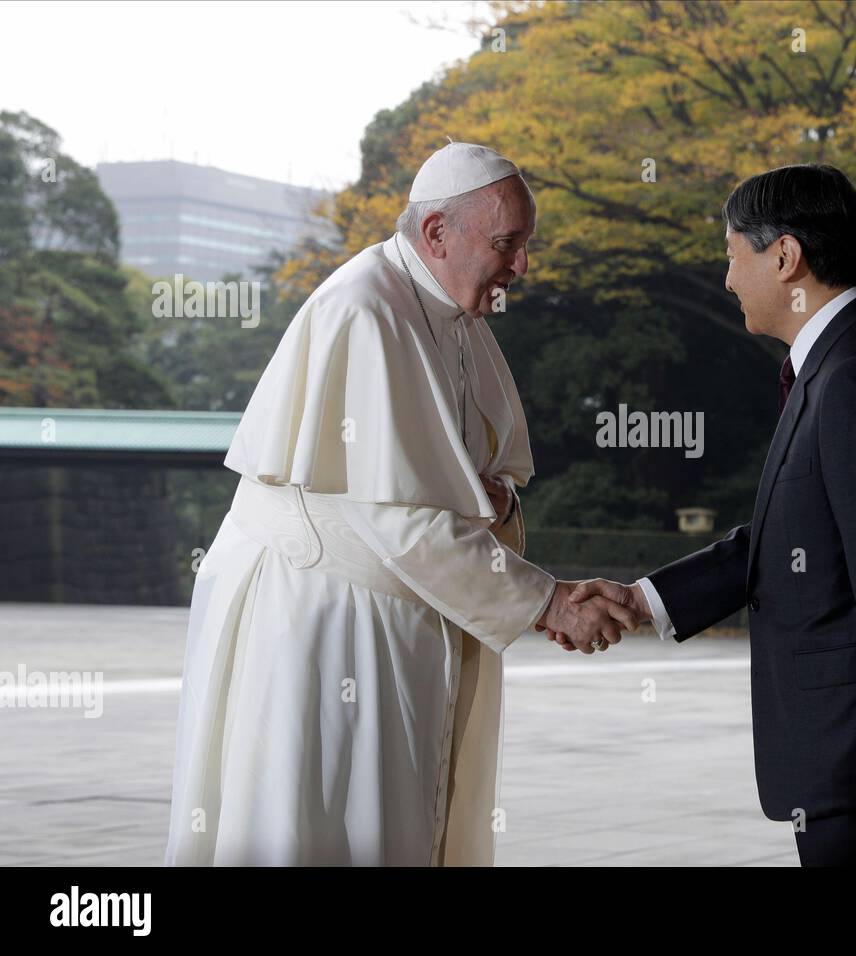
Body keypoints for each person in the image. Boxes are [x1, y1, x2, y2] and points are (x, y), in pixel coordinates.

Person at [164, 142, 633, 867]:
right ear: (437, 233)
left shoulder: (450, 313)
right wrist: (551, 602)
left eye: (525, 245)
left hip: (393, 615)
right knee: (320, 825)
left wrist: (489, 500)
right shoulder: (364, 308)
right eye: (507, 243)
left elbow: (474, 476)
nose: (521, 267)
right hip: (319, 618)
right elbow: (403, 516)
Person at [559, 164, 856, 866]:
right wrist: (643, 600)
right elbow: (799, 539)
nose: (729, 278)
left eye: (734, 255)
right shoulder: (840, 361)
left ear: (785, 257)